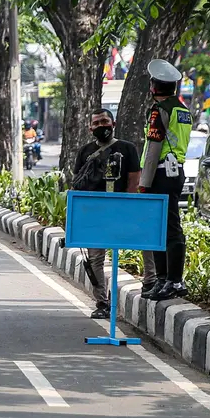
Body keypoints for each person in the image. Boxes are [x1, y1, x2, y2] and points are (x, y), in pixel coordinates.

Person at [72, 109, 141, 319]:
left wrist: (128, 207)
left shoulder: (127, 149)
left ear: (114, 123)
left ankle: (149, 283)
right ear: (90, 128)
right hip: (94, 212)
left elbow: (134, 179)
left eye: (105, 121)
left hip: (119, 210)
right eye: (97, 123)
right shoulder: (84, 152)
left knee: (132, 251)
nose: (102, 126)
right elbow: (77, 183)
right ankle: (102, 302)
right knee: (95, 259)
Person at [137, 59, 193, 301]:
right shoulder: (183, 110)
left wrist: (144, 182)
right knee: (163, 226)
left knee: (165, 228)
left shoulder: (159, 111)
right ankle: (163, 279)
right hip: (176, 170)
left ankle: (173, 280)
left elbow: (153, 148)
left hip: (159, 173)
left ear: (153, 87)